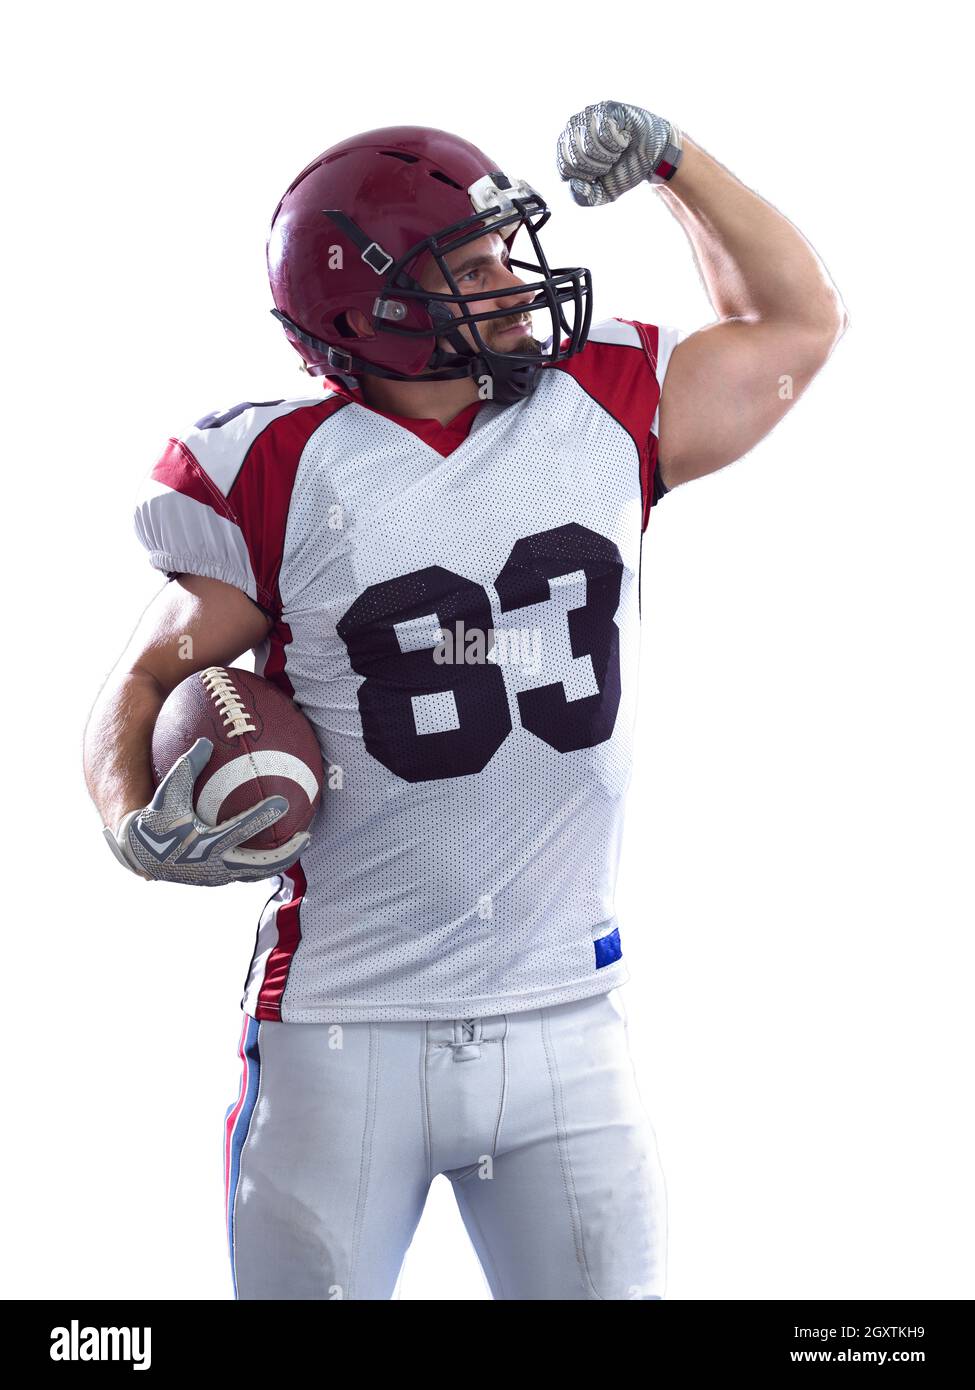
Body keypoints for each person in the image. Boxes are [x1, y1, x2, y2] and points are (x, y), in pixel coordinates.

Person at [83, 103, 846, 1300]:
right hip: (340, 1026)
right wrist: (131, 811)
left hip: (567, 1017)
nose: (515, 285)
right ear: (371, 307)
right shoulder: (274, 467)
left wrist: (676, 164)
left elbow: (797, 320)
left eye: (505, 252)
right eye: (474, 266)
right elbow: (143, 680)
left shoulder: (599, 403)